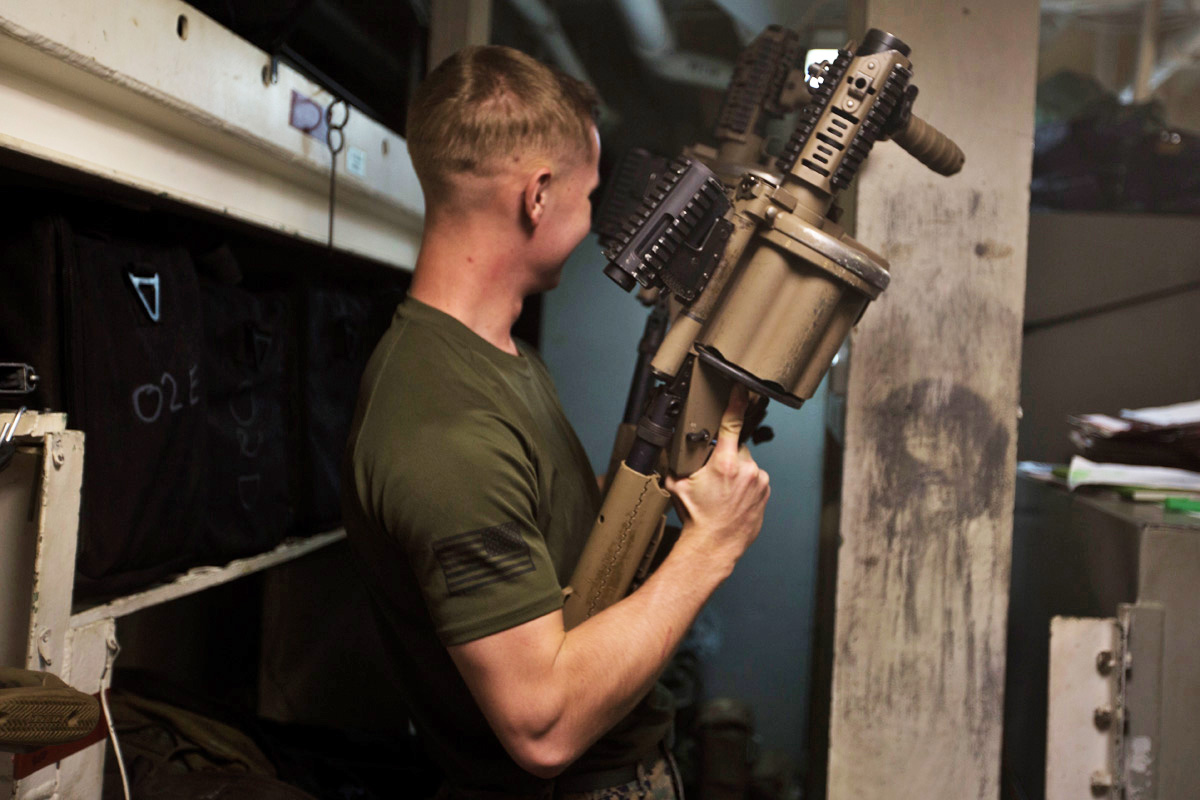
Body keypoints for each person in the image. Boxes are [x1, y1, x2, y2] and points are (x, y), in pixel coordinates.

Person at [342, 45, 770, 798]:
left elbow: (536, 539)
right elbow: (543, 727)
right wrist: (713, 545)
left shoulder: (497, 359)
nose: (589, 216)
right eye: (587, 193)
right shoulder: (443, 427)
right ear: (538, 195)